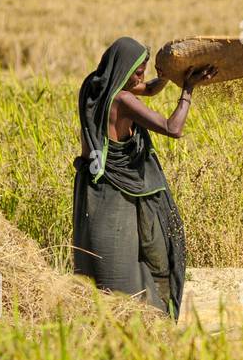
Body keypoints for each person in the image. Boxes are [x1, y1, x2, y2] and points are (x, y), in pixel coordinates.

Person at [72, 36, 214, 319]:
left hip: (92, 185)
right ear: (124, 69)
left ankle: (105, 315)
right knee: (127, 261)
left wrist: (167, 77)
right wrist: (187, 89)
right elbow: (172, 128)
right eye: (138, 72)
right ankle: (148, 317)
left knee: (99, 262)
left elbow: (145, 90)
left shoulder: (94, 85)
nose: (142, 79)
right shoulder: (122, 100)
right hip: (116, 191)